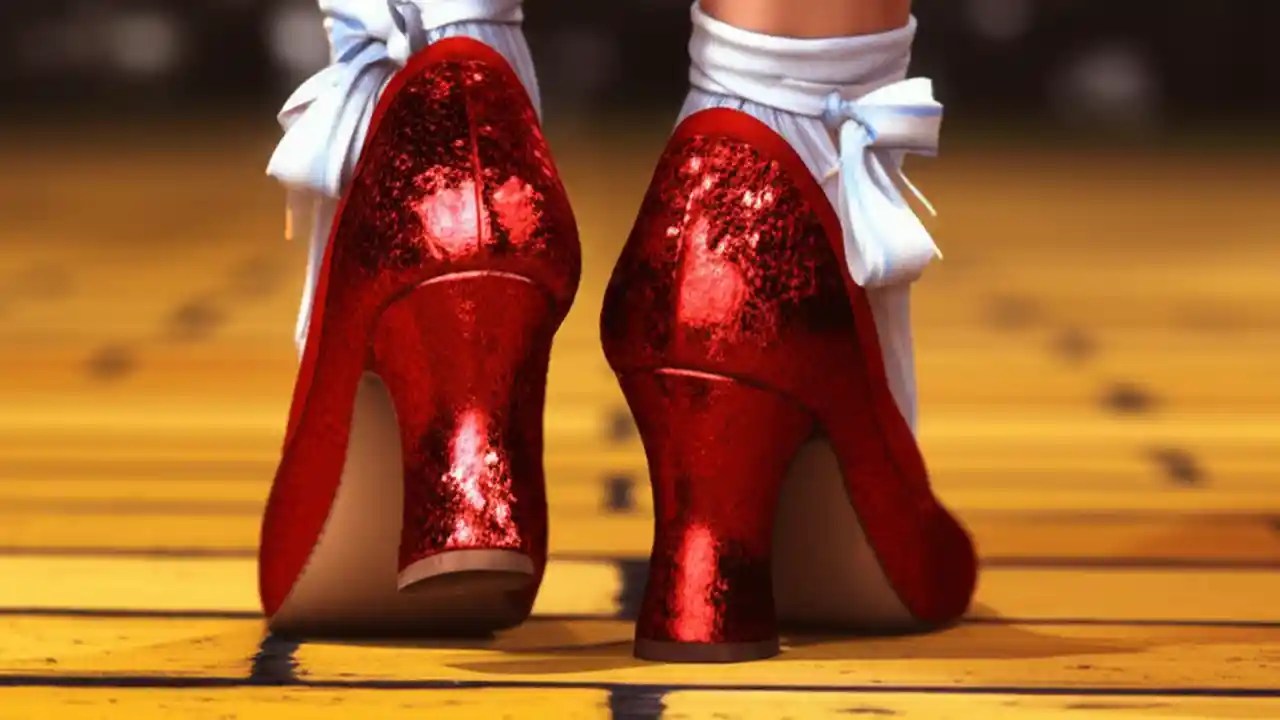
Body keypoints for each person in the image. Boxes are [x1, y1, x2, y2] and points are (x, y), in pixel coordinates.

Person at [258, 0, 976, 662]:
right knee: (787, 76)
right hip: (751, 215)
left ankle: (433, 102)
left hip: (427, 184)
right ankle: (782, 122)